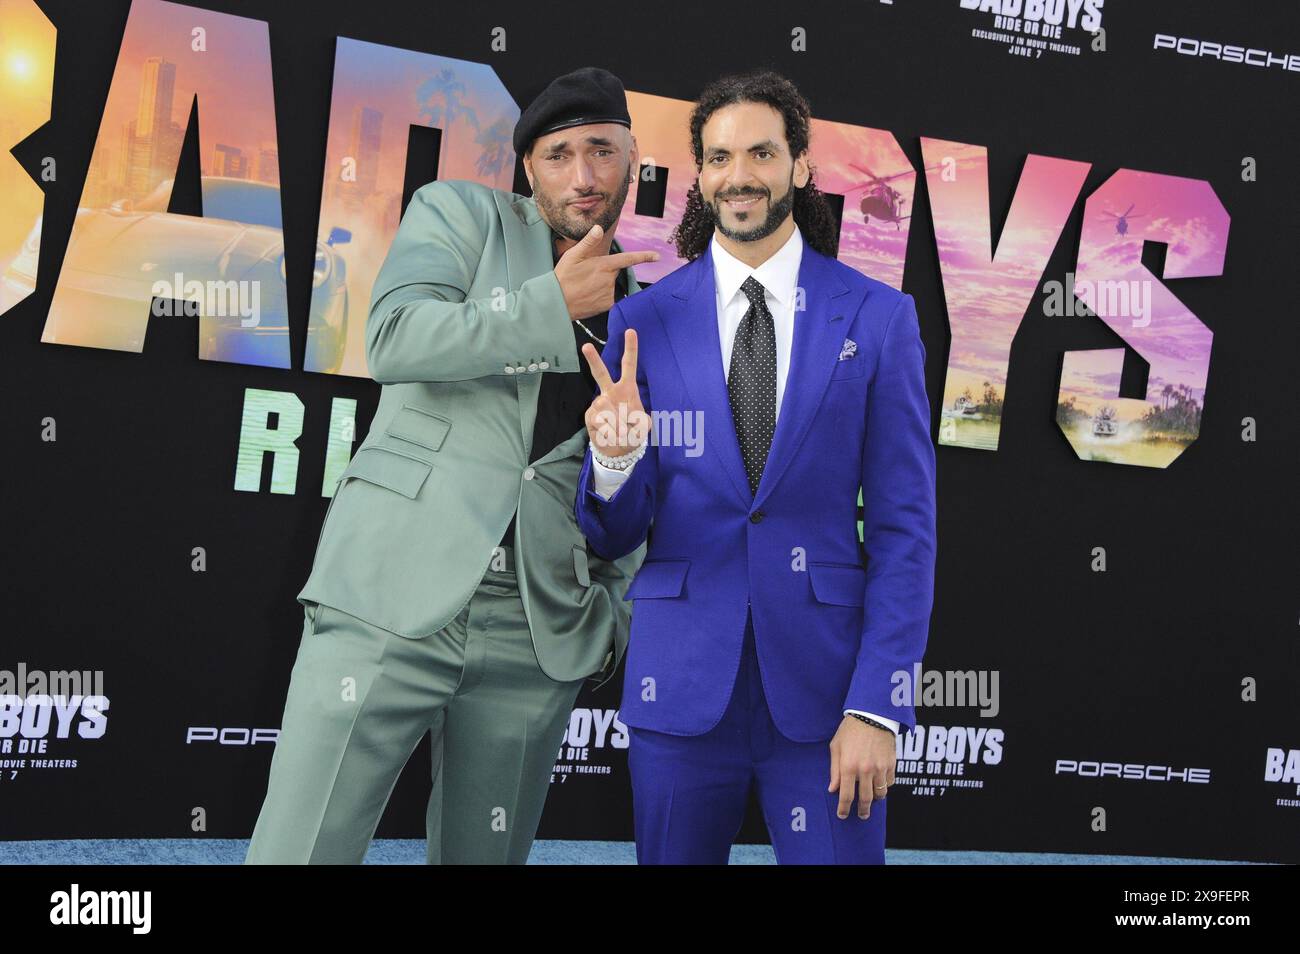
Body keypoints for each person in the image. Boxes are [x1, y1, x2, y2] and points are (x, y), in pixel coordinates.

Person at [246, 66, 655, 864]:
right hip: (390, 595)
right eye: (560, 154)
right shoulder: (461, 214)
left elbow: (638, 487)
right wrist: (547, 305)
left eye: (602, 151)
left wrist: (607, 620)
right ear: (529, 168)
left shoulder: (648, 309)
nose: (583, 175)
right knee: (300, 852)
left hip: (534, 632)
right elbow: (396, 338)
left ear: (633, 162)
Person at [574, 70, 936, 864]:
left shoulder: (879, 320)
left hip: (828, 700)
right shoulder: (641, 321)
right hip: (680, 690)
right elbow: (614, 532)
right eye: (720, 157)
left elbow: (907, 532)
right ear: (700, 176)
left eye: (762, 153)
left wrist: (879, 708)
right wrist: (616, 457)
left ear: (800, 165)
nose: (740, 175)